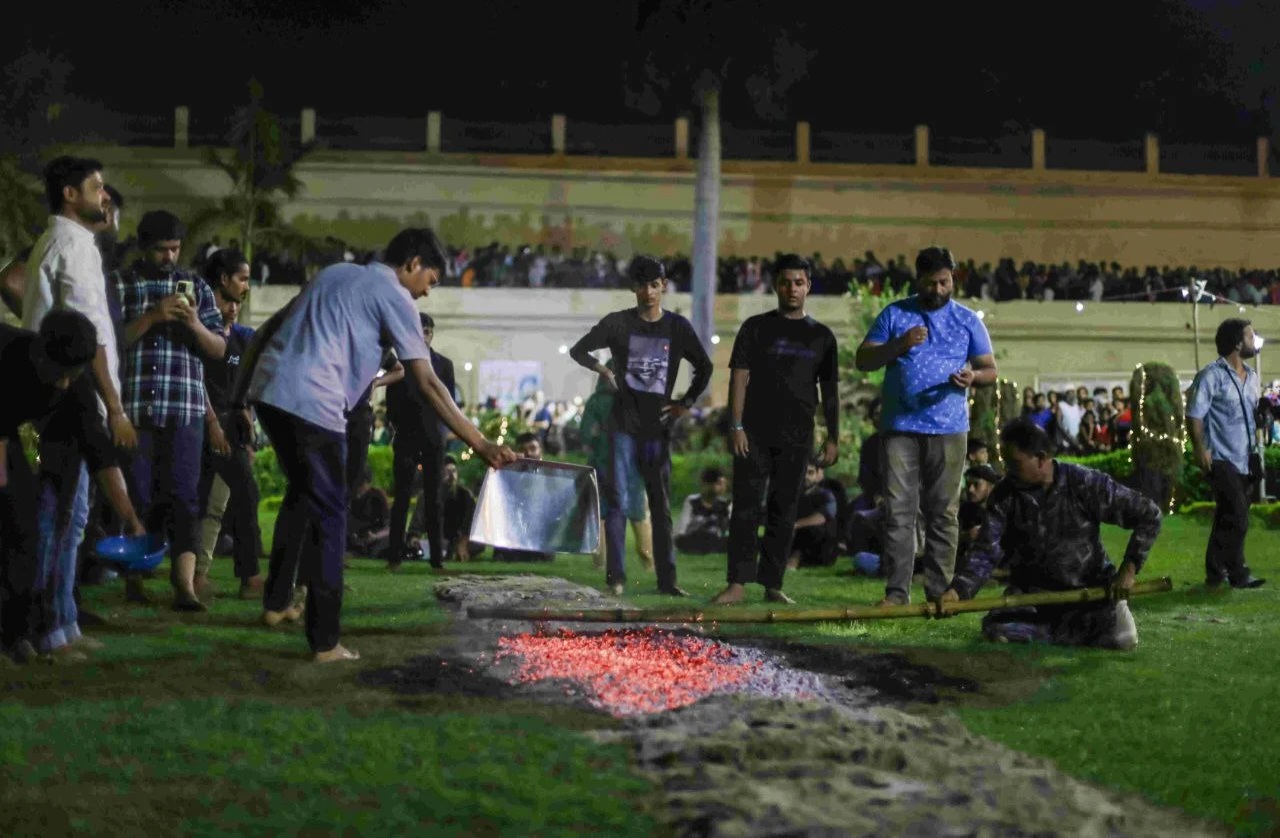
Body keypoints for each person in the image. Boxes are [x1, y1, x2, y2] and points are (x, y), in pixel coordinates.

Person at [234, 227, 516, 663]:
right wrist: (481, 443)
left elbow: (269, 328)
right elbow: (427, 382)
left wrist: (240, 399)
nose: (426, 294)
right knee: (331, 517)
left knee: (301, 498)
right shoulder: (394, 294)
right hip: (315, 402)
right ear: (412, 264)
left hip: (273, 394)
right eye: (431, 282)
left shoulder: (335, 273)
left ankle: (275, 604)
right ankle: (326, 642)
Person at [22, 156, 138, 658]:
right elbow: (87, 335)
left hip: (63, 386)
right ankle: (49, 628)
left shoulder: (63, 242)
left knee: (67, 514)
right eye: (96, 188)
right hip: (74, 390)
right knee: (62, 514)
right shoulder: (72, 245)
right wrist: (113, 407)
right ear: (71, 195)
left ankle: (61, 621)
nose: (105, 196)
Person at [1, 310, 148, 663]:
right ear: (40, 353)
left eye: (73, 375)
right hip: (13, 430)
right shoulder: (8, 361)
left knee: (37, 533)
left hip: (33, 435)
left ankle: (26, 632)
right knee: (14, 523)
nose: (65, 384)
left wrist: (128, 514)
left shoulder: (77, 385)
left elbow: (100, 454)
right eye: (59, 374)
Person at [854, 246, 996, 607]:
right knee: (899, 511)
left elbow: (989, 370)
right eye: (931, 283)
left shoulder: (967, 320)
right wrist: (900, 344)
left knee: (943, 513)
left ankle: (939, 592)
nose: (938, 289)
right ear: (917, 280)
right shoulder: (895, 314)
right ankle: (897, 592)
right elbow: (863, 359)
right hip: (900, 427)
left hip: (949, 428)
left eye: (944, 282)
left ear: (953, 279)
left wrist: (973, 375)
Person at [939, 419, 1159, 651]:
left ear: (1041, 458)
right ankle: (1060, 633)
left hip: (1089, 593)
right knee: (997, 629)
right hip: (1032, 599)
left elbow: (1149, 514)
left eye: (1015, 463)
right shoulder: (1004, 495)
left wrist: (1129, 568)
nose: (1007, 470)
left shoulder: (1083, 483)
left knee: (1121, 638)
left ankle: (1075, 629)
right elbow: (986, 551)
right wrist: (958, 591)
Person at [569, 255, 713, 597]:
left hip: (656, 429)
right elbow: (578, 350)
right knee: (616, 502)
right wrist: (603, 370)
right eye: (641, 285)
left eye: (654, 285)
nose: (648, 292)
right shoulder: (618, 324)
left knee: (659, 503)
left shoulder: (677, 327)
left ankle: (668, 581)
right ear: (632, 287)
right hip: (621, 426)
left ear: (663, 285)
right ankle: (616, 578)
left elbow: (704, 367)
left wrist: (685, 403)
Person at [711, 253, 839, 606]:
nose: (792, 289)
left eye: (799, 282)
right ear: (775, 286)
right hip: (753, 432)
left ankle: (773, 583)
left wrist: (833, 436)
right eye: (785, 282)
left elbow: (829, 392)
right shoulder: (755, 327)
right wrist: (735, 424)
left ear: (808, 286)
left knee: (785, 509)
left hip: (798, 434)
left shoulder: (822, 337)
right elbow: (739, 376)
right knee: (747, 508)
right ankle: (737, 583)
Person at [115, 210, 227, 611]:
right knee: (137, 496)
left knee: (184, 499)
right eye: (162, 250)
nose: (169, 257)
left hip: (185, 410)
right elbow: (110, 343)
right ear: (145, 247)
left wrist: (194, 323)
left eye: (176, 249)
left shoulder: (196, 286)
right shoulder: (123, 283)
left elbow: (219, 349)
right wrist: (153, 316)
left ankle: (184, 587)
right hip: (136, 410)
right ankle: (134, 581)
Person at [195, 248, 264, 600]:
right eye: (242, 279)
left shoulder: (242, 338)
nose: (242, 295)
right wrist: (212, 424)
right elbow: (197, 381)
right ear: (222, 283)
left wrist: (245, 415)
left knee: (218, 503)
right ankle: (248, 577)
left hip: (229, 428)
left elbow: (247, 383)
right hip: (205, 423)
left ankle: (200, 575)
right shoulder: (201, 329)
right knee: (228, 497)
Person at [1187, 318, 1267, 589]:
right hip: (1220, 457)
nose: (1254, 340)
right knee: (1239, 516)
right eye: (1249, 336)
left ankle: (1214, 572)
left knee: (1227, 515)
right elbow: (1194, 415)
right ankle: (1239, 572)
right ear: (1236, 342)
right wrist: (1200, 450)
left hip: (1246, 457)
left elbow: (1252, 413)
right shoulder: (1212, 375)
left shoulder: (1253, 377)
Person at [385, 312, 456, 569]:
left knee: (433, 498)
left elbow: (450, 404)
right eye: (420, 330)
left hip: (434, 438)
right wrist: (399, 426)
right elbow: (391, 402)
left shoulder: (444, 365)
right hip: (406, 436)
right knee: (402, 497)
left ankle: (436, 559)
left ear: (432, 334)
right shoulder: (401, 364)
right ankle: (394, 556)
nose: (424, 335)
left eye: (427, 331)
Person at [674, 467, 731, 555]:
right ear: (708, 484)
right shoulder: (692, 501)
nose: (723, 487)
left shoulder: (725, 504)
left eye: (724, 484)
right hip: (694, 537)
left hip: (715, 539)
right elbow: (682, 527)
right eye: (719, 484)